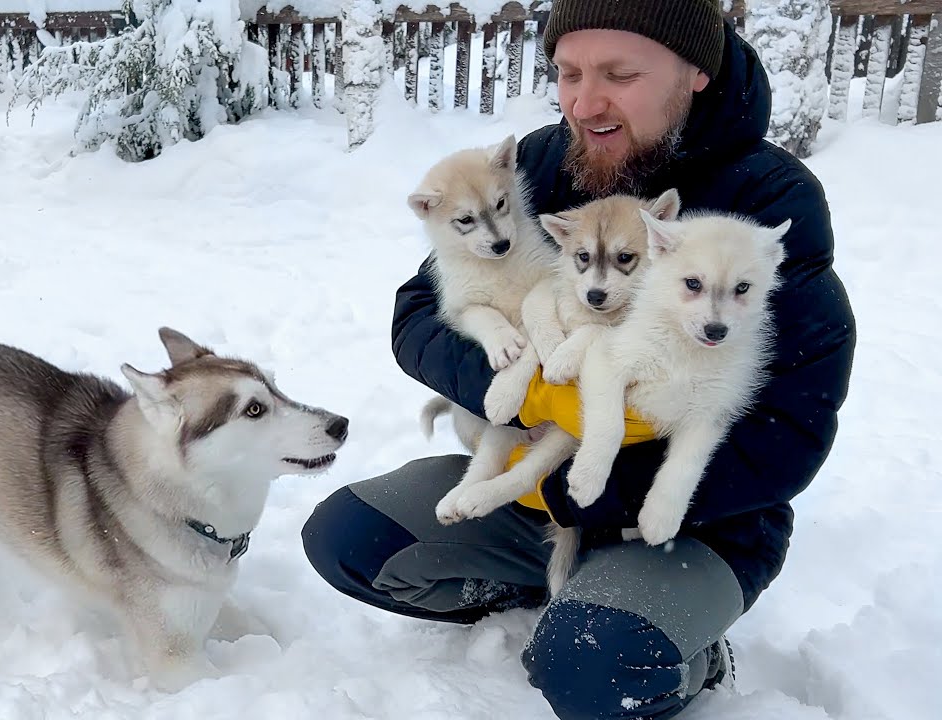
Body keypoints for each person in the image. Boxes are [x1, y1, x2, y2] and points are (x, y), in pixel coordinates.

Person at [301, 1, 857, 718]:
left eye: (618, 74)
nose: (584, 101)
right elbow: (419, 315)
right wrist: (526, 394)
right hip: (537, 470)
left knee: (593, 666)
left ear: (695, 72)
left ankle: (682, 645)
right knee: (349, 539)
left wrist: (588, 483)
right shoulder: (541, 163)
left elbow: (793, 429)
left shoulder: (765, 198)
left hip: (696, 516)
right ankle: (551, 587)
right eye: (567, 72)